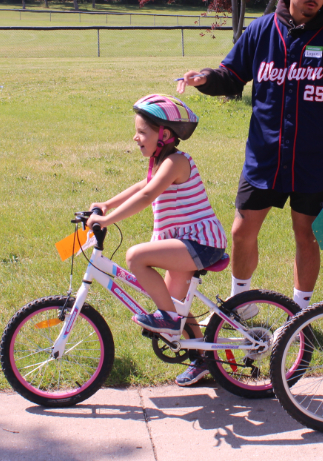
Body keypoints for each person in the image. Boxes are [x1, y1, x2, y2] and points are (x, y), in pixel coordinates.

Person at [177, 0, 323, 311]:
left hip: (314, 160)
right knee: (241, 232)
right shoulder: (262, 30)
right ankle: (241, 303)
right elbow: (230, 76)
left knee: (307, 237)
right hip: (264, 158)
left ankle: (301, 313)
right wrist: (204, 78)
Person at [87, 94, 227, 387]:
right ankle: (201, 360)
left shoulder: (175, 162)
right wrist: (106, 204)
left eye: (142, 132)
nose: (136, 137)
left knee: (136, 257)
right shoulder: (159, 160)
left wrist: (106, 221)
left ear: (164, 135)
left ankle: (168, 319)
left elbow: (148, 195)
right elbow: (142, 186)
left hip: (201, 243)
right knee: (176, 304)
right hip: (185, 241)